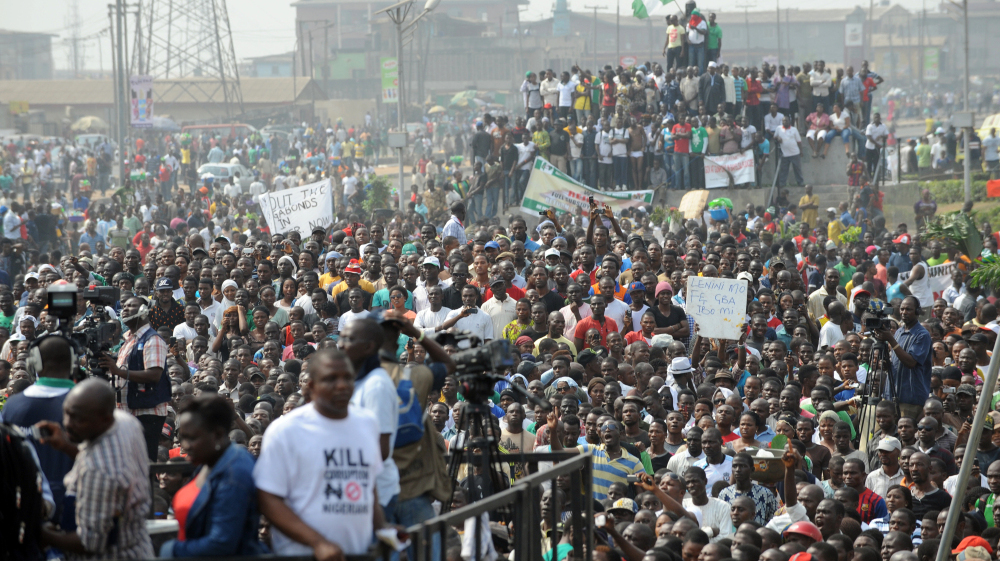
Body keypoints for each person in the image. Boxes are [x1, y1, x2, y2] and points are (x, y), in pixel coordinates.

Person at [254, 348, 392, 559]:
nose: (342, 385)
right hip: (302, 555)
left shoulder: (368, 423)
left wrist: (384, 530)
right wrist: (318, 543)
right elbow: (268, 499)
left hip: (357, 554)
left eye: (348, 378)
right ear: (311, 386)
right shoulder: (286, 430)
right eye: (331, 379)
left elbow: (368, 485)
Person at [36, 379, 154, 559]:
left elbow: (89, 543)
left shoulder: (99, 471)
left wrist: (43, 534)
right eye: (66, 413)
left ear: (105, 418)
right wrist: (67, 447)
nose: (67, 423)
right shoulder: (126, 422)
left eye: (78, 418)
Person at [159, 395, 262, 556]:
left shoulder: (234, 473)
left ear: (218, 435)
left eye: (192, 438)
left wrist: (169, 550)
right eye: (182, 438)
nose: (184, 445)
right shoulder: (208, 461)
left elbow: (221, 544)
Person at [99, 295, 171, 461]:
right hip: (128, 411)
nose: (125, 309)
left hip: (146, 412)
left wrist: (118, 371)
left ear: (143, 311)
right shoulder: (128, 340)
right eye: (124, 305)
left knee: (143, 461)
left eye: (131, 306)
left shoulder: (152, 339)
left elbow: (154, 375)